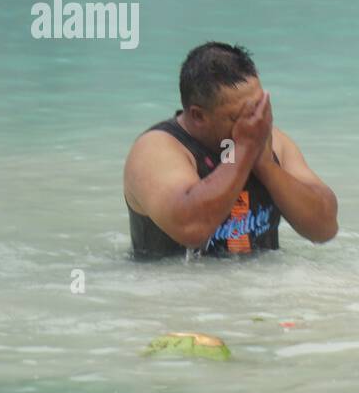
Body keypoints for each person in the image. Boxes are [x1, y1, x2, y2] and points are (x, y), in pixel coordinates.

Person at [123, 42, 338, 258]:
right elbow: (191, 228)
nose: (254, 123)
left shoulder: (270, 141)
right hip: (175, 288)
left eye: (257, 109)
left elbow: (324, 228)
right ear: (198, 116)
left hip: (256, 288)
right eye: (238, 117)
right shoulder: (156, 150)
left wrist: (266, 166)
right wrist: (244, 150)